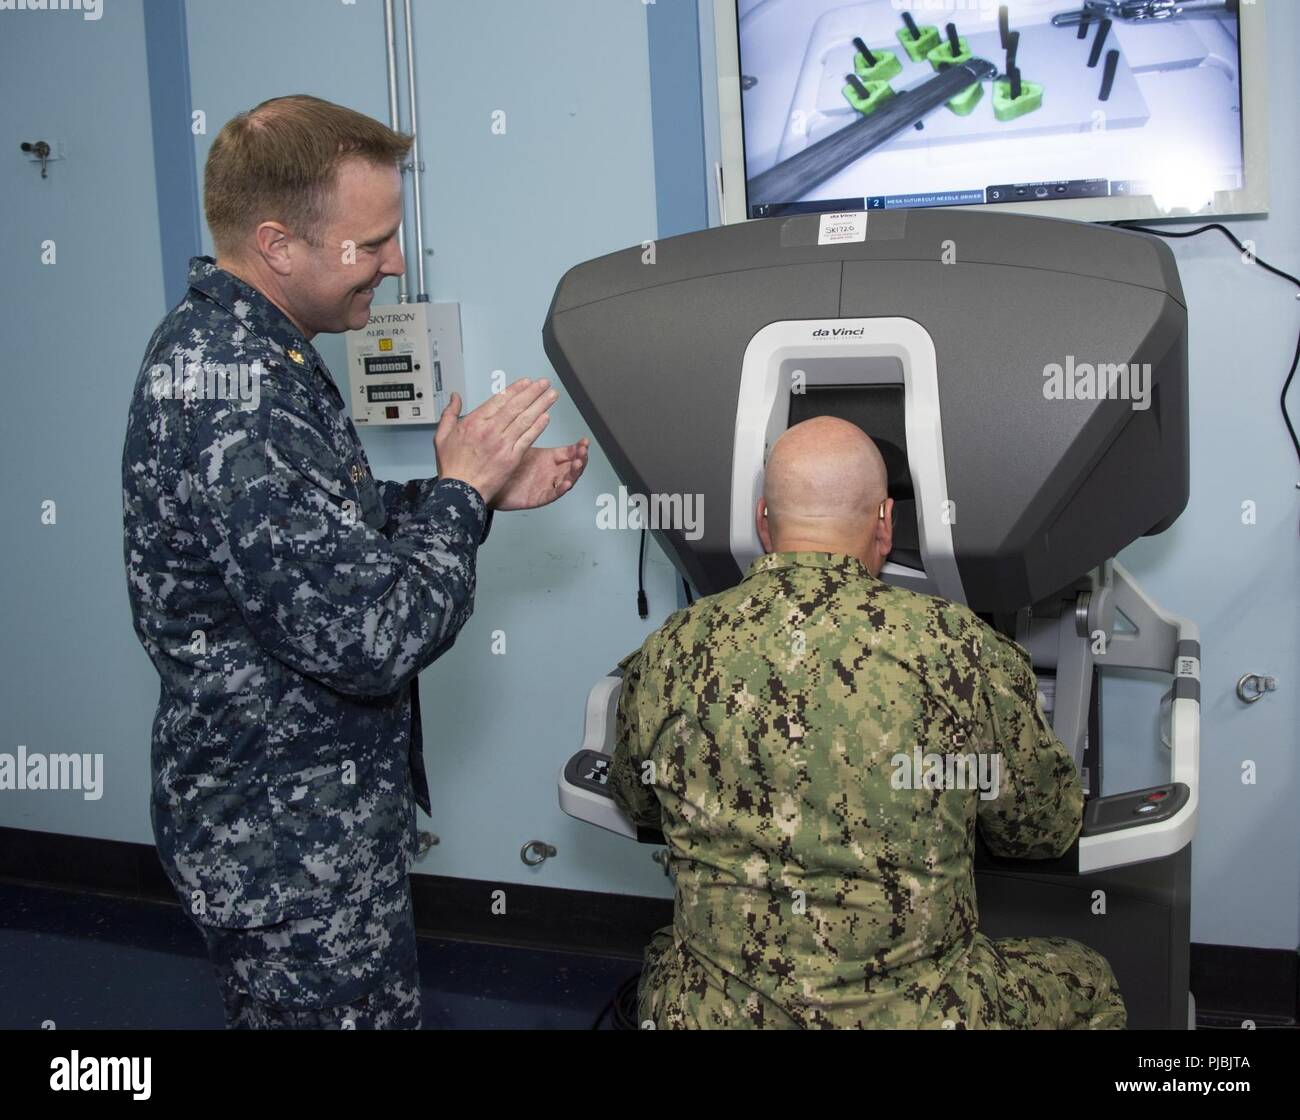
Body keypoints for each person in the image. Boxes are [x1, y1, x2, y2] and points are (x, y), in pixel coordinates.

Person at [122, 94, 588, 1028]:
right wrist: (459, 492)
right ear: (277, 244)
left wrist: (479, 492)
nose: (394, 261)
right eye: (370, 244)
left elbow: (329, 534)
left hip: (296, 827)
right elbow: (373, 635)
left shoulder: (247, 352)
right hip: (287, 848)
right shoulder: (240, 393)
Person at [608, 416, 1124, 1029]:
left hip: (709, 1017)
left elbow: (638, 802)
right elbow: (1040, 828)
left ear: (762, 521)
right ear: (886, 521)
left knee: (666, 960)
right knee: (1088, 979)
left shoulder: (672, 648)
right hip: (920, 1016)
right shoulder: (958, 647)